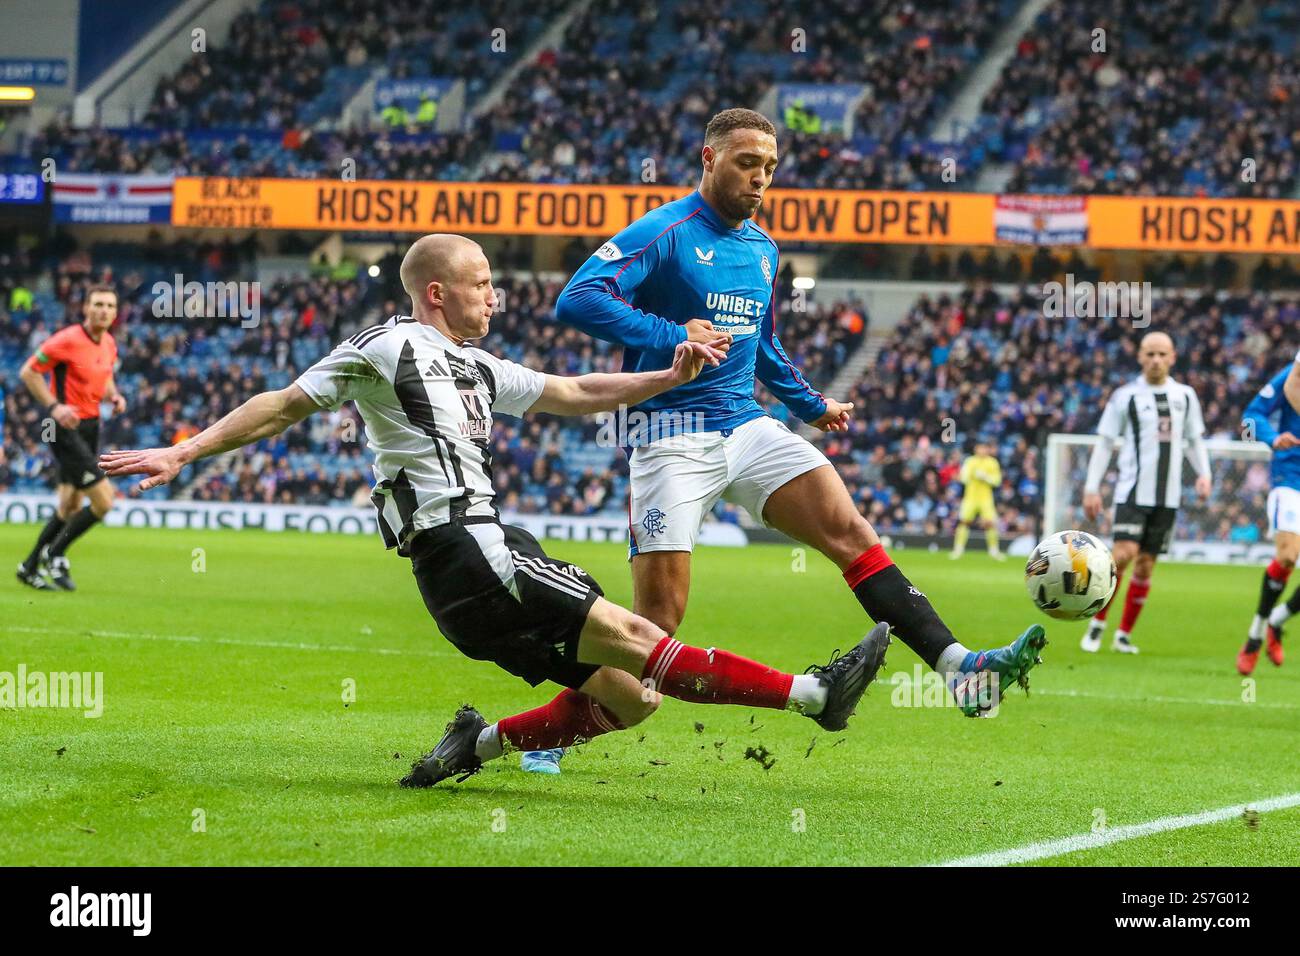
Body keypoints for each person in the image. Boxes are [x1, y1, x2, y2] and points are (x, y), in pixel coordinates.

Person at [100, 234, 891, 789]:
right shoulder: (389, 346)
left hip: (469, 581)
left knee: (631, 695)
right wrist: (182, 450)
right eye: (481, 280)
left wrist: (667, 375)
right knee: (645, 641)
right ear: (437, 292)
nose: (494, 292)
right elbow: (282, 405)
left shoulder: (475, 364)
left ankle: (473, 745)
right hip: (469, 547)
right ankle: (813, 696)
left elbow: (574, 393)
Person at [526, 108, 1045, 780]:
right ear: (708, 158)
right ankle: (548, 734)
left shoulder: (763, 249)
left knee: (850, 531)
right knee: (656, 620)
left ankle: (959, 668)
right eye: (747, 163)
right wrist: (670, 333)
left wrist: (809, 403)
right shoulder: (667, 231)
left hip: (746, 426)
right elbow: (577, 298)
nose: (760, 178)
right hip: (669, 437)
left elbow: (761, 342)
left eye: (769, 167)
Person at [1081, 332, 1212, 654]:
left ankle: (1123, 635)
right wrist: (1091, 486)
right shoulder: (1125, 396)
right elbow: (1105, 441)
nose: (1156, 360)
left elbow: (1194, 440)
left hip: (1167, 497)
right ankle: (1097, 624)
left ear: (1172, 357)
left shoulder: (1185, 396)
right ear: (1140, 357)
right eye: (1150, 353)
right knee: (1123, 554)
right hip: (1131, 493)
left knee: (1146, 565)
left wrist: (1204, 473)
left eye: (1161, 354)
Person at [16, 285, 127, 591]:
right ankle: (56, 553)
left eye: (109, 305)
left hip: (90, 427)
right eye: (98, 304)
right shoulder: (66, 340)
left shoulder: (108, 343)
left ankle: (29, 566)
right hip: (63, 426)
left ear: (116, 313)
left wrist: (114, 395)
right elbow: (28, 371)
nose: (104, 310)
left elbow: (104, 378)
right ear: (86, 308)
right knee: (104, 502)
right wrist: (54, 406)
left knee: (69, 504)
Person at [1236, 351, 1300, 674]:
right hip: (1290, 478)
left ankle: (1277, 620)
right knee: (1288, 556)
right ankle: (1255, 635)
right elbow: (1247, 423)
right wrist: (1273, 439)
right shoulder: (1290, 377)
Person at [951, 439, 1005, 560]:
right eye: (979, 448)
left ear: (987, 449)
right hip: (970, 497)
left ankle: (994, 551)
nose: (982, 450)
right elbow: (963, 478)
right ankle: (958, 550)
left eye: (984, 447)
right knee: (964, 522)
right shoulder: (970, 461)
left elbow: (997, 481)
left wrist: (986, 477)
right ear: (976, 449)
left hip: (986, 498)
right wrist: (970, 475)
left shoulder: (992, 462)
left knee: (990, 524)